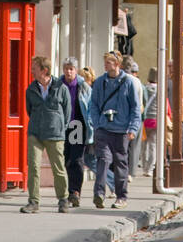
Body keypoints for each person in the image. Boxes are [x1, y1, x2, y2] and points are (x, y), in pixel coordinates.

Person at [90, 50, 141, 209]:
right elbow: (94, 105)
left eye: (109, 62)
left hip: (122, 131)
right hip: (103, 129)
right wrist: (97, 123)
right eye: (105, 62)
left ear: (117, 64)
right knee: (103, 160)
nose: (105, 65)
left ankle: (121, 197)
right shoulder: (99, 82)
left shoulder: (128, 82)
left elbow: (135, 108)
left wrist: (133, 128)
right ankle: (99, 194)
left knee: (120, 164)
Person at [23, 55, 71, 213]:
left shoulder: (60, 88)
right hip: (35, 132)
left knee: (58, 168)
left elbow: (67, 111)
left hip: (55, 133)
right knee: (34, 167)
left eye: (34, 68)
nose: (31, 71)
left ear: (44, 70)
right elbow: (29, 110)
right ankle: (33, 201)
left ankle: (63, 199)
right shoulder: (31, 89)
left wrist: (58, 126)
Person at [60, 57, 93, 206]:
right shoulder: (58, 85)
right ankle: (66, 191)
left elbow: (91, 106)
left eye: (71, 69)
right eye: (66, 68)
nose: (68, 71)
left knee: (77, 159)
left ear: (76, 70)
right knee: (64, 159)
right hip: (62, 126)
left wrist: (92, 125)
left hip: (77, 125)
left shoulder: (83, 86)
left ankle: (75, 192)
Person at [122, 56, 145, 176]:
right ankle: (130, 172)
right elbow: (141, 102)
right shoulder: (136, 81)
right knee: (134, 146)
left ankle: (122, 171)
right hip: (135, 116)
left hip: (121, 117)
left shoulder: (119, 79)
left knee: (121, 147)